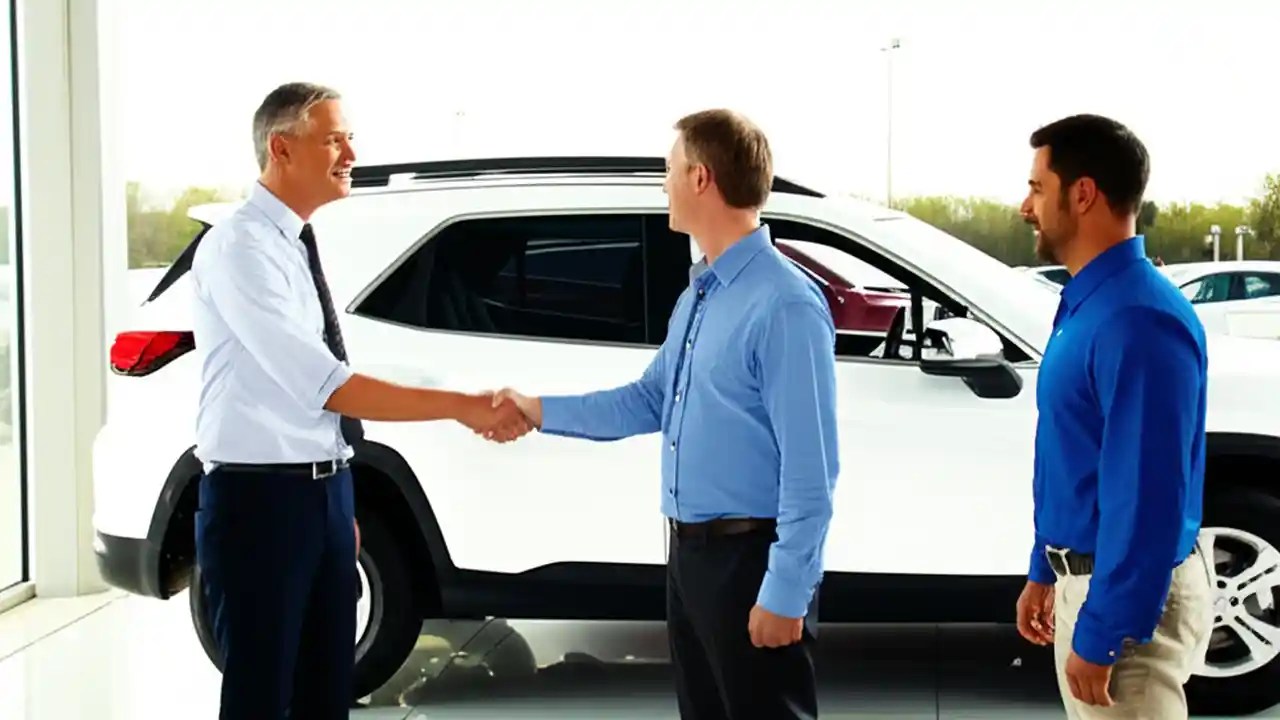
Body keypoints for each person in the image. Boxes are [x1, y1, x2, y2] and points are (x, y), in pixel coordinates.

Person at [188, 82, 528, 719]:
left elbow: (321, 396)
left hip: (319, 494)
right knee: (261, 695)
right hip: (260, 503)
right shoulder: (241, 248)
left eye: (350, 138)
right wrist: (461, 405)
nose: (350, 153)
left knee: (327, 691)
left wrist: (335, 488)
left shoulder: (293, 241)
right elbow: (324, 384)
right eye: (334, 139)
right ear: (281, 149)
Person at [492, 108, 839, 719]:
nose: (664, 184)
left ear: (702, 178)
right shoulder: (700, 295)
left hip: (750, 564)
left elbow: (813, 470)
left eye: (670, 169)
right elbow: (648, 399)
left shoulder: (784, 304)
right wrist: (536, 410)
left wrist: (786, 589)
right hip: (691, 562)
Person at [1014, 113, 1213, 719]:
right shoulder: (1087, 304)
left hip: (1124, 603)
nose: (1026, 206)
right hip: (1087, 581)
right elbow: (1075, 454)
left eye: (1037, 188)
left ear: (1083, 194)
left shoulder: (1137, 320)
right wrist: (1043, 566)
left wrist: (1105, 630)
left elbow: (1147, 496)